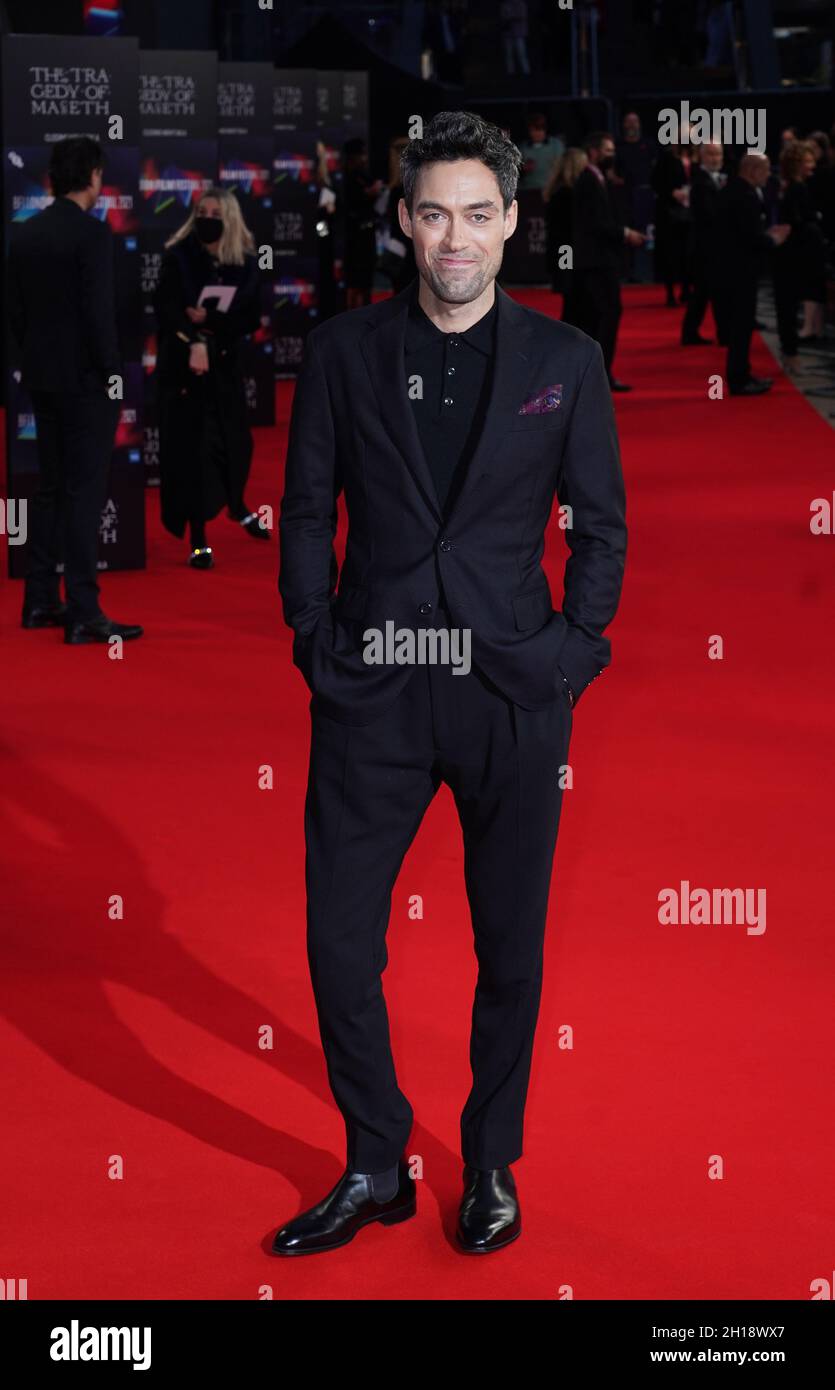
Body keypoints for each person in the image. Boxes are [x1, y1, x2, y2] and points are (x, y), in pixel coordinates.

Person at [274, 110, 627, 1256]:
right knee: (338, 942)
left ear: (514, 221)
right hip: (372, 686)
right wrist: (314, 640)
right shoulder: (339, 352)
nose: (456, 237)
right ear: (405, 225)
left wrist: (569, 657)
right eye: (434, 214)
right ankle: (375, 1157)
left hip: (508, 691)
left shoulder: (565, 363)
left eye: (479, 213)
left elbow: (604, 530)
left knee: (509, 948)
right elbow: (309, 510)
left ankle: (487, 1160)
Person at [7, 136, 142, 644]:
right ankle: (84, 611)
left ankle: (39, 601)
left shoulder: (25, 235)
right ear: (93, 177)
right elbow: (98, 316)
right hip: (87, 382)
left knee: (49, 488)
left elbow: (15, 315)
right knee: (84, 494)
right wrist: (111, 376)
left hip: (42, 379)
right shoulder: (92, 235)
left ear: (51, 179)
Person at [154, 188, 265, 568]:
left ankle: (237, 505)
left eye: (215, 212)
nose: (207, 217)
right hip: (184, 371)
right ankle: (199, 539)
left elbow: (252, 316)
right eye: (202, 211)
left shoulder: (245, 263)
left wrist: (213, 322)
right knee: (194, 454)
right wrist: (193, 339)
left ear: (229, 218)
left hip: (224, 367)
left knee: (236, 444)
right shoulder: (178, 257)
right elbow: (166, 310)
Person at [564, 130, 645, 392]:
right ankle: (601, 375)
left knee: (600, 316)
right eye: (608, 151)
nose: (612, 156)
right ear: (595, 152)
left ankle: (597, 374)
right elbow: (597, 223)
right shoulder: (588, 180)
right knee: (606, 315)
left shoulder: (597, 179)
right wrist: (625, 233)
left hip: (597, 261)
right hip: (596, 262)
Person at [709, 153, 791, 396]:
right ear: (753, 170)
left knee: (741, 326)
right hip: (739, 272)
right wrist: (774, 239)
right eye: (765, 170)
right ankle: (739, 378)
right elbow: (750, 238)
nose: (768, 176)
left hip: (731, 270)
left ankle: (742, 373)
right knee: (741, 326)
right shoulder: (744, 196)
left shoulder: (732, 191)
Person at [773, 142, 825, 371]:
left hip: (791, 254)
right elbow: (796, 222)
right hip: (795, 256)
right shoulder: (796, 188)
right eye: (808, 161)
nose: (812, 165)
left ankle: (789, 352)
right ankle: (790, 353)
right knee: (789, 305)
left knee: (788, 305)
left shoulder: (791, 186)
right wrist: (816, 220)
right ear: (797, 164)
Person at [681, 141, 725, 346]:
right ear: (702, 157)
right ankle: (719, 334)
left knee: (706, 293)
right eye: (711, 154)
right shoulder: (700, 181)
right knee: (707, 292)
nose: (715, 158)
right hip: (704, 248)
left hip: (710, 247)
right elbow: (709, 215)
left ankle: (692, 333)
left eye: (718, 154)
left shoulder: (712, 179)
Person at [543, 146, 587, 305]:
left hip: (563, 247)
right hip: (567, 248)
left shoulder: (557, 191)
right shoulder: (567, 193)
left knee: (571, 292)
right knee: (571, 290)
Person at [342, 138, 383, 309]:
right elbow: (352, 203)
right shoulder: (347, 179)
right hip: (355, 238)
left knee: (366, 282)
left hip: (368, 235)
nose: (365, 159)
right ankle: (353, 321)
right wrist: (370, 193)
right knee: (355, 283)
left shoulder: (364, 175)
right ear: (353, 157)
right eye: (361, 155)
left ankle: (365, 317)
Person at [651, 140, 693, 306]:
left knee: (688, 253)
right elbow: (655, 182)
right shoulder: (666, 158)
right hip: (669, 214)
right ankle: (670, 293)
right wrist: (671, 192)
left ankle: (686, 290)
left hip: (691, 213)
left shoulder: (695, 157)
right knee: (670, 253)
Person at [519, 112, 564, 192]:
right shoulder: (523, 147)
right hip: (529, 189)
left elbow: (563, 168)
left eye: (540, 129)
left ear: (545, 130)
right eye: (533, 130)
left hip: (552, 190)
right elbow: (516, 173)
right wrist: (523, 169)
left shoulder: (556, 145)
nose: (537, 133)